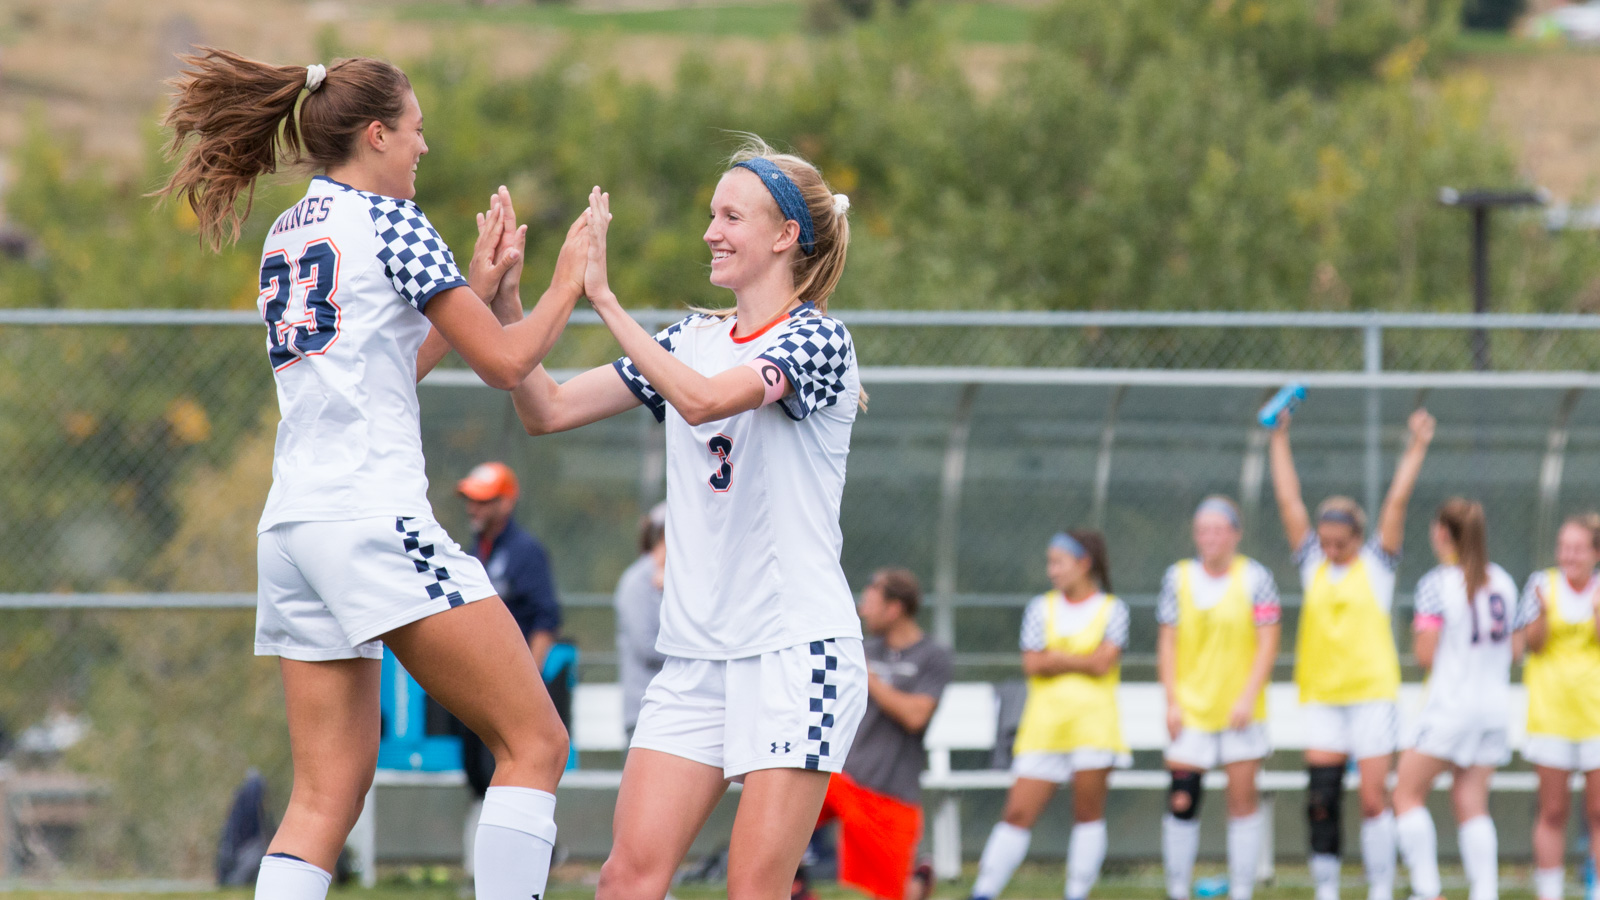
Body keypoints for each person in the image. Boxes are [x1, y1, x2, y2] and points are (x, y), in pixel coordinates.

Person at [157, 48, 588, 900]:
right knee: (535, 742)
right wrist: (571, 281)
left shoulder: (292, 231)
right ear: (379, 133)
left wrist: (475, 282)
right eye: (417, 131)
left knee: (325, 793)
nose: (424, 149)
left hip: (294, 530)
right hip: (370, 515)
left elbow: (384, 364)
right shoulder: (390, 224)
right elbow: (507, 364)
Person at [504, 136, 866, 900]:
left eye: (731, 216)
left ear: (784, 235)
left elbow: (703, 401)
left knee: (753, 888)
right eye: (711, 214)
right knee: (626, 880)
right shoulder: (692, 339)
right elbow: (548, 406)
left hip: (794, 652)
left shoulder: (816, 338)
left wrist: (604, 298)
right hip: (698, 657)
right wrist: (517, 300)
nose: (711, 231)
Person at [1268, 407, 1435, 900]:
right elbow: (1287, 498)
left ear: (1358, 539)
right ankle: (1327, 889)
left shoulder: (1378, 564)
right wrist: (1278, 438)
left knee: (1370, 798)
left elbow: (1397, 501)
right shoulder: (1311, 563)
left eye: (1341, 543)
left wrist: (1417, 446)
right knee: (1321, 798)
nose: (1332, 550)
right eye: (1326, 542)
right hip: (1323, 694)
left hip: (1370, 695)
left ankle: (1380, 888)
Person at [969, 530, 1129, 900]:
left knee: (1087, 814)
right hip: (1043, 728)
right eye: (1050, 562)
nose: (1051, 570)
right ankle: (984, 891)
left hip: (1094, 726)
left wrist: (1056, 657)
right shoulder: (1040, 608)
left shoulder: (1111, 608)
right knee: (1017, 815)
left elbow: (1104, 663)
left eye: (1059, 562)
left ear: (1084, 563)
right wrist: (1079, 659)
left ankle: (1077, 892)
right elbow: (1033, 662)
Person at [1393, 498, 1526, 900]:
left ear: (1442, 533)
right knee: (1471, 801)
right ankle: (1485, 892)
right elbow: (1516, 651)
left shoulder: (1437, 583)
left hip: (1452, 707)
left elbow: (1426, 655)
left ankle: (1427, 890)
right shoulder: (1503, 579)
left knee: (1405, 794)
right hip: (1494, 710)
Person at [1157, 496, 1281, 900]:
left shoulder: (1256, 578)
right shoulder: (1177, 578)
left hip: (1239, 712)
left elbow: (1267, 644)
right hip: (1192, 709)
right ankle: (1178, 889)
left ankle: (1242, 890)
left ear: (1235, 534)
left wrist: (1247, 697)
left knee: (1241, 800)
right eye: (1201, 530)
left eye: (1217, 529)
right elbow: (1168, 644)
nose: (1209, 538)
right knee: (1182, 798)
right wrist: (1172, 701)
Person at [816, 567, 954, 900]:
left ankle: (920, 881)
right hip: (844, 779)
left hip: (891, 788)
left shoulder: (932, 656)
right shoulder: (863, 649)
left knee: (893, 894)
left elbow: (915, 716)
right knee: (783, 809)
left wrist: (870, 679)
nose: (863, 610)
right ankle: (796, 886)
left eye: (871, 602)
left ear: (895, 609)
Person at [1518, 513, 1600, 900]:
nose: (1570, 555)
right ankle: (1549, 893)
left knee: (1598, 813)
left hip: (1595, 717)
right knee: (1552, 811)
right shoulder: (1540, 586)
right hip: (1551, 715)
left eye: (1579, 548)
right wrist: (1545, 614)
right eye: (1564, 547)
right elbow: (1529, 645)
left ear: (1595, 553)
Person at [458, 461, 562, 669]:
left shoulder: (526, 551)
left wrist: (529, 679)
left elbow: (545, 620)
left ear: (506, 503)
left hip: (514, 671)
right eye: (470, 500)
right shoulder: (473, 551)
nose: (472, 509)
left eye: (482, 501)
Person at [616, 502, 669, 739]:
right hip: (646, 713)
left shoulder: (679, 582)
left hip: (674, 714)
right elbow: (647, 647)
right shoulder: (637, 581)